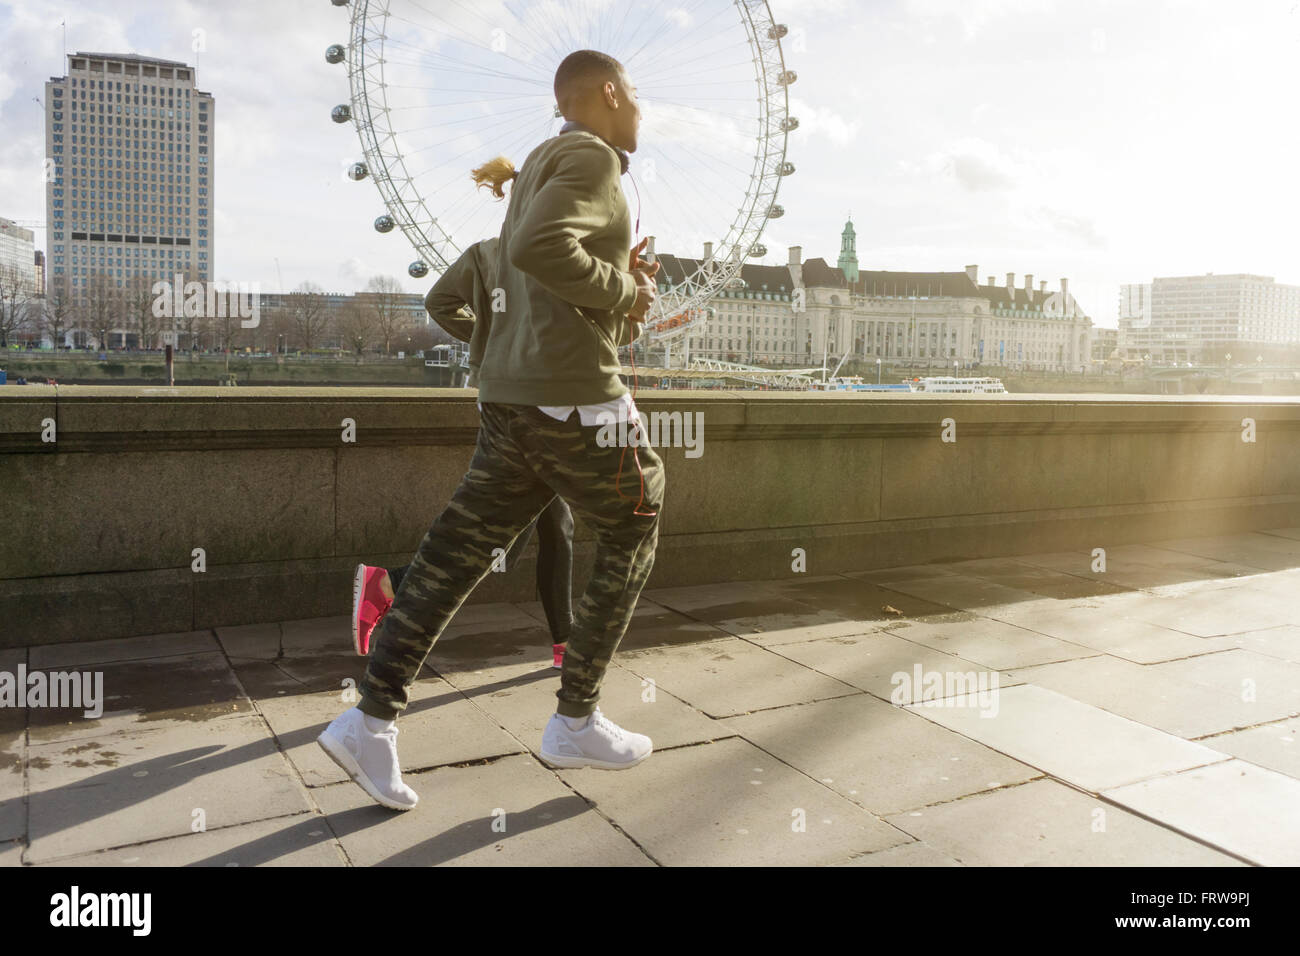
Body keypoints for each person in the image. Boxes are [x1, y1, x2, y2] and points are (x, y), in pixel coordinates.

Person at [319, 49, 664, 810]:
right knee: (636, 523)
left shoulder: (544, 158)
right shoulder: (593, 157)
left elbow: (526, 265)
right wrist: (624, 286)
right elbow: (540, 249)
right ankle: (575, 716)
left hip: (510, 401)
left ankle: (370, 720)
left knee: (454, 555)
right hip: (571, 401)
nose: (641, 110)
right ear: (608, 92)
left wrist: (615, 295)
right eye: (635, 95)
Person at [351, 236, 577, 669]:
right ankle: (390, 585)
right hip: (538, 400)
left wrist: (491, 338)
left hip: (501, 395)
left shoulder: (486, 252)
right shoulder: (552, 249)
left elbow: (438, 302)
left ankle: (565, 646)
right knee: (511, 531)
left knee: (547, 527)